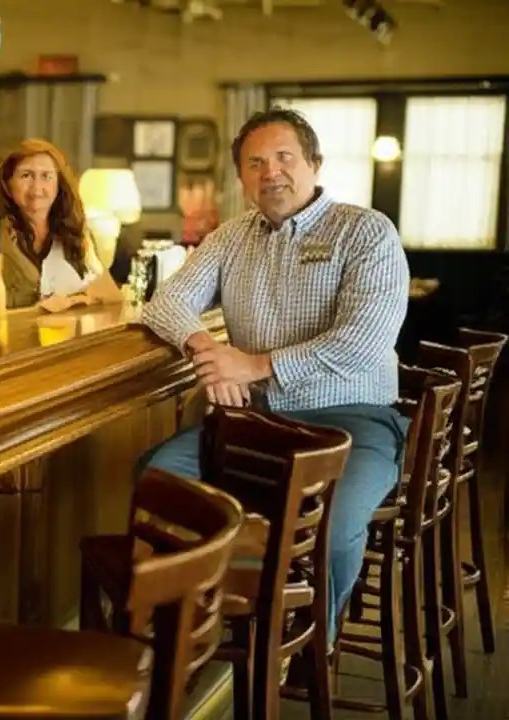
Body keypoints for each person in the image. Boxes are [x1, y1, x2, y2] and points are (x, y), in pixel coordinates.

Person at [138, 107, 410, 636]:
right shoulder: (230, 237)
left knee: (332, 528)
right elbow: (164, 301)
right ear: (241, 177)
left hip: (352, 425)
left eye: (284, 157)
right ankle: (192, 634)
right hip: (253, 421)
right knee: (158, 483)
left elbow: (362, 342)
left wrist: (254, 364)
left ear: (313, 163)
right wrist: (206, 352)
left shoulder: (366, 232)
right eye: (255, 162)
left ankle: (311, 645)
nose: (271, 172)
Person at [0, 139, 124, 312]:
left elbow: (112, 297)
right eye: (26, 175)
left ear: (58, 185)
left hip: (69, 336)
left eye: (46, 176)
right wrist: (38, 311)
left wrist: (74, 299)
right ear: (8, 184)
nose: (37, 188)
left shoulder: (75, 233)